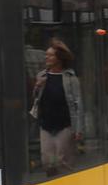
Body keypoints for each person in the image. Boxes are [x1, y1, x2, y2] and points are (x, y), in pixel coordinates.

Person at [30, 37, 83, 174]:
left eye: (50, 55)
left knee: (63, 161)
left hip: (64, 125)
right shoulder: (42, 76)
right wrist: (37, 86)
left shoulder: (71, 78)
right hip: (46, 125)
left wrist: (78, 129)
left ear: (59, 58)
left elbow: (78, 104)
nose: (46, 58)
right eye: (46, 55)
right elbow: (35, 99)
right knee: (47, 162)